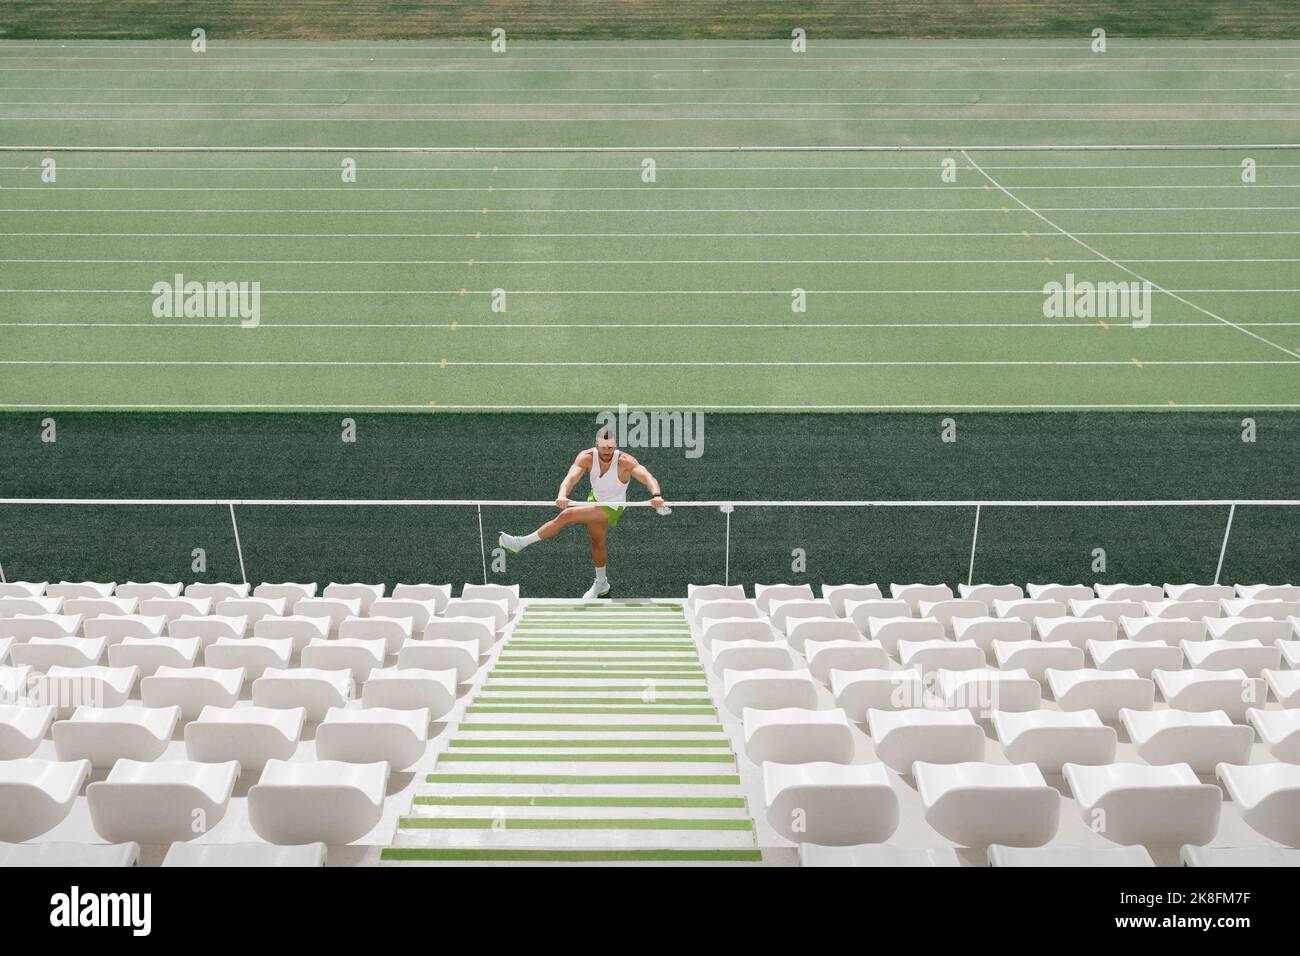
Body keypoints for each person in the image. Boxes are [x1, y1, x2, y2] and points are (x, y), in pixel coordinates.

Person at [499, 429, 664, 598]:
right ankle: (602, 583)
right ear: (596, 445)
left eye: (611, 448)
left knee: (566, 516)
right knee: (597, 543)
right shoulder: (586, 457)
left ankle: (520, 543)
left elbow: (647, 477)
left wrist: (656, 495)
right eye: (604, 447)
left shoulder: (625, 461)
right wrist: (562, 495)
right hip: (594, 499)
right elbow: (570, 477)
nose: (607, 451)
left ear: (615, 446)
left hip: (614, 507)